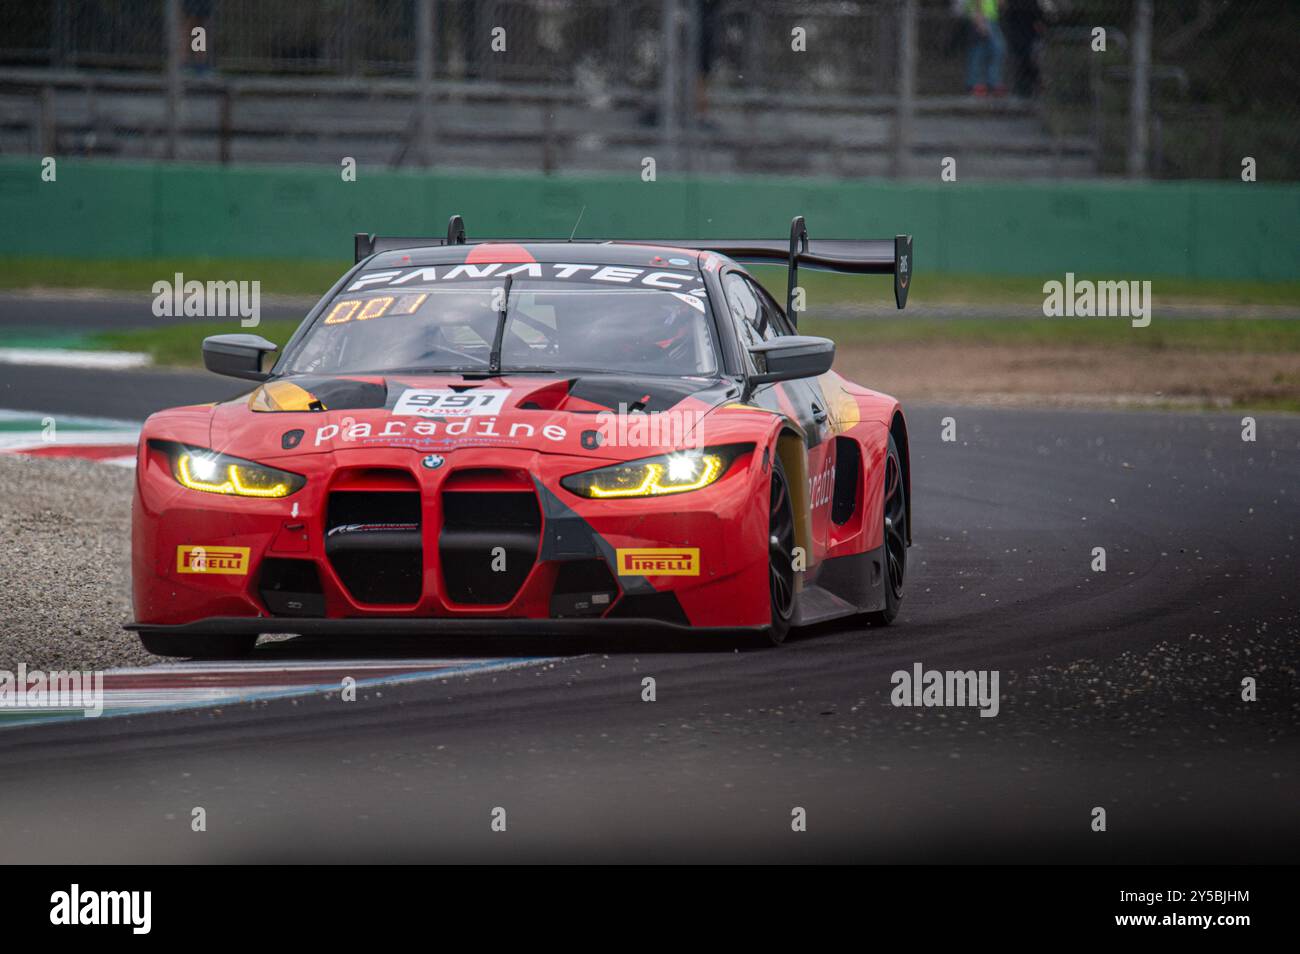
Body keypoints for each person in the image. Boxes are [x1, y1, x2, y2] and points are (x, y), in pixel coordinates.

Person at [1003, 0, 1048, 97]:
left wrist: (1039, 25)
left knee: (1029, 59)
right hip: (1018, 32)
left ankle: (1032, 85)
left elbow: (1037, 15)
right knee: (1022, 59)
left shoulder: (1032, 4)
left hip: (1029, 33)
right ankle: (1025, 88)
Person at [965, 0, 1006, 96]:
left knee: (980, 49)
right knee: (997, 49)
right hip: (983, 18)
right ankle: (989, 82)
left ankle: (977, 82)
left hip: (988, 17)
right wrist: (979, 19)